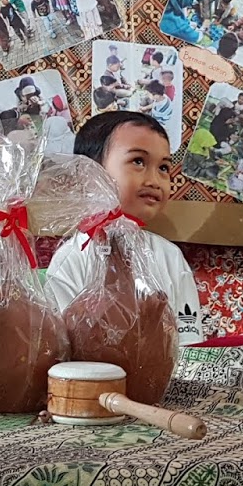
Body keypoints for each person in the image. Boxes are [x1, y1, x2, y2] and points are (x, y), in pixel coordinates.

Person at [43, 111, 203, 345]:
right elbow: (64, 347)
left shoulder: (170, 257)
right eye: (138, 162)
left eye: (164, 168)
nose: (154, 181)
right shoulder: (73, 259)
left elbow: (190, 343)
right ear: (88, 173)